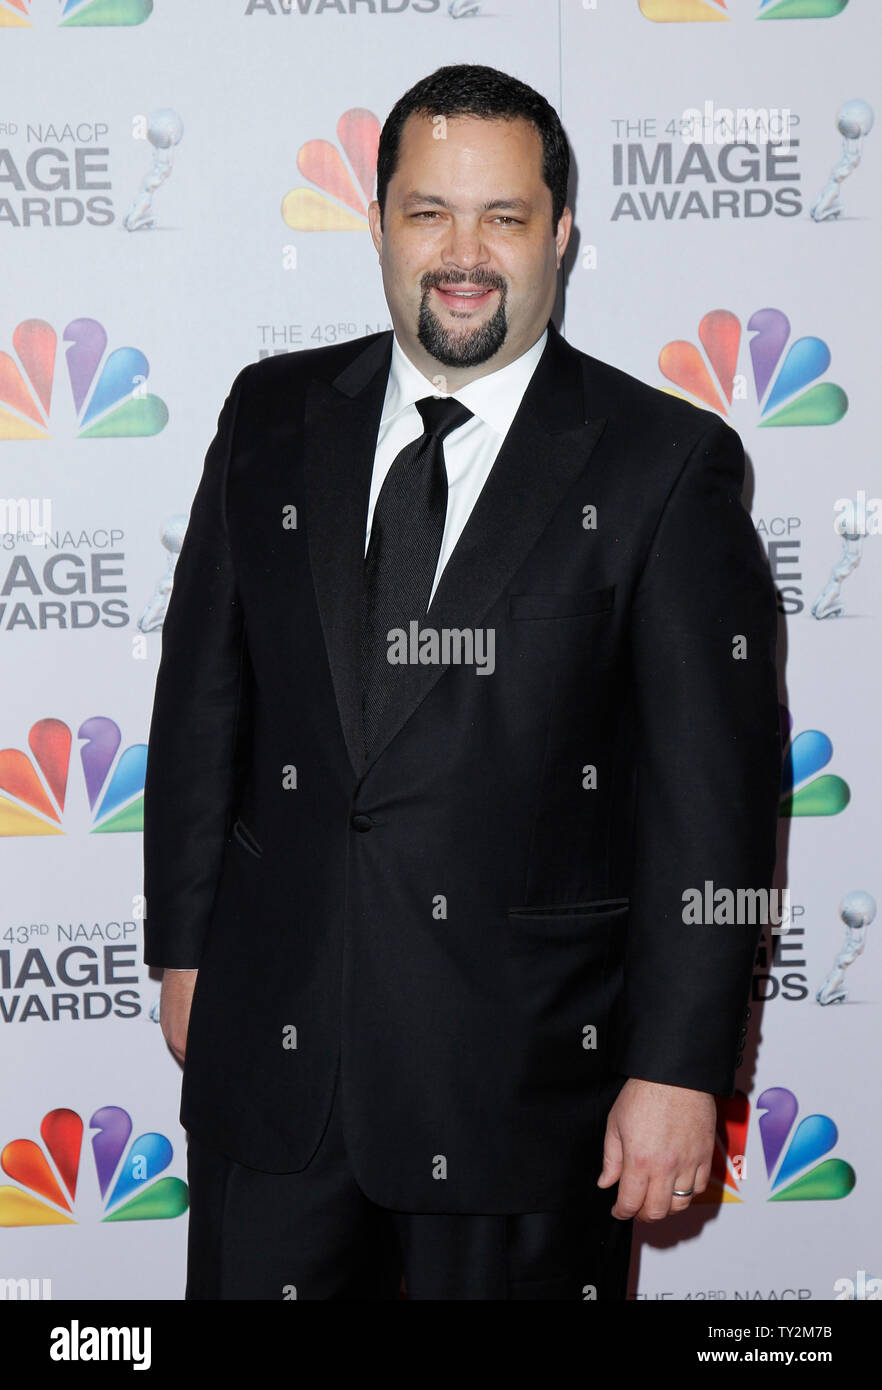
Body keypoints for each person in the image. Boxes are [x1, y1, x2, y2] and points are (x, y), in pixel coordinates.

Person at [142, 63, 782, 1301]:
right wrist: (186, 948)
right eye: (430, 211)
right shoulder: (271, 415)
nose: (464, 253)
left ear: (562, 236)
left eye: (505, 216)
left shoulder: (665, 466)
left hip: (526, 1094)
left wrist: (683, 1067)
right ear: (378, 224)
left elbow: (713, 797)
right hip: (279, 1073)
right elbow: (201, 699)